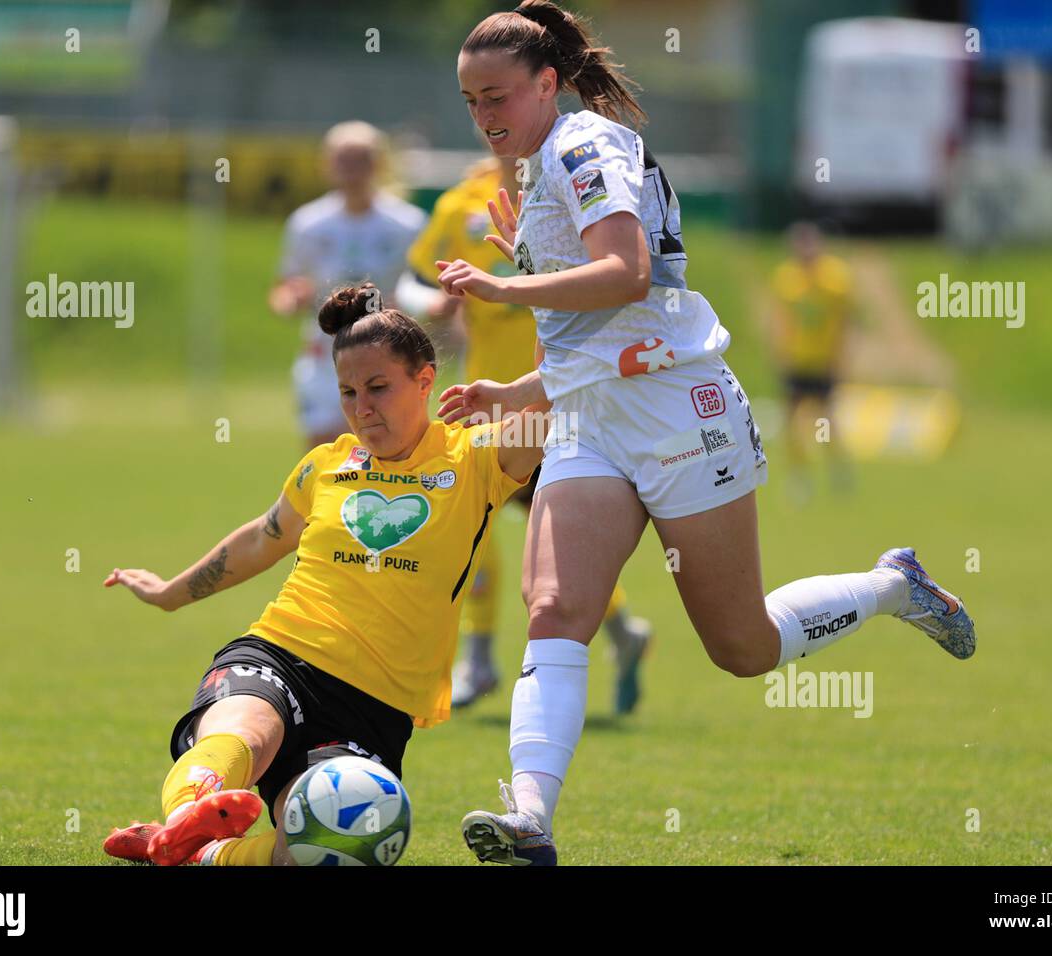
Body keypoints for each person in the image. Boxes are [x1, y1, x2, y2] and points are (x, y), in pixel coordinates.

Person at [433, 1, 976, 866]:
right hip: (592, 419)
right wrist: (517, 388)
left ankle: (890, 586)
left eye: (496, 94)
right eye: (469, 102)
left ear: (547, 83)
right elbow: (599, 333)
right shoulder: (538, 172)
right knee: (557, 608)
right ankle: (529, 814)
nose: (484, 115)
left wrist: (506, 292)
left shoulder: (584, 146)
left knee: (743, 648)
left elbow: (626, 275)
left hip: (681, 410)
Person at [101, 283, 543, 866]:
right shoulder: (327, 464)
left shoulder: (477, 457)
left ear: (426, 380)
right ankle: (189, 815)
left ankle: (198, 853)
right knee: (243, 733)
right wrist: (169, 594)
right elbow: (263, 537)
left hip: (374, 706)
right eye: (348, 392)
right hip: (281, 651)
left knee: (319, 851)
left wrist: (543, 289)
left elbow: (567, 397)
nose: (362, 407)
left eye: (379, 387)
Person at [405, 153, 653, 714]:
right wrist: (434, 301)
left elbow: (614, 276)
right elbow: (414, 278)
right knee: (479, 515)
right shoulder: (460, 203)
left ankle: (490, 657)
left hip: (553, 394)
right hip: (486, 394)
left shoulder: (571, 193)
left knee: (539, 528)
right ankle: (493, 654)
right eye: (481, 103)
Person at [269, 121, 427, 451]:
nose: (352, 170)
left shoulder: (407, 224)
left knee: (386, 456)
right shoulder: (308, 223)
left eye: (362, 160)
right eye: (343, 160)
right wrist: (289, 298)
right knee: (326, 458)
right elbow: (288, 284)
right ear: (327, 165)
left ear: (379, 164)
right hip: (324, 356)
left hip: (387, 359)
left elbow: (420, 284)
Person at [768, 221, 855, 501]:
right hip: (797, 361)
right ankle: (798, 474)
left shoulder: (835, 278)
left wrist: (839, 356)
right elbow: (782, 321)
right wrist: (780, 353)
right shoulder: (787, 279)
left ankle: (838, 469)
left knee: (827, 421)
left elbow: (844, 322)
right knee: (791, 421)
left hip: (822, 361)